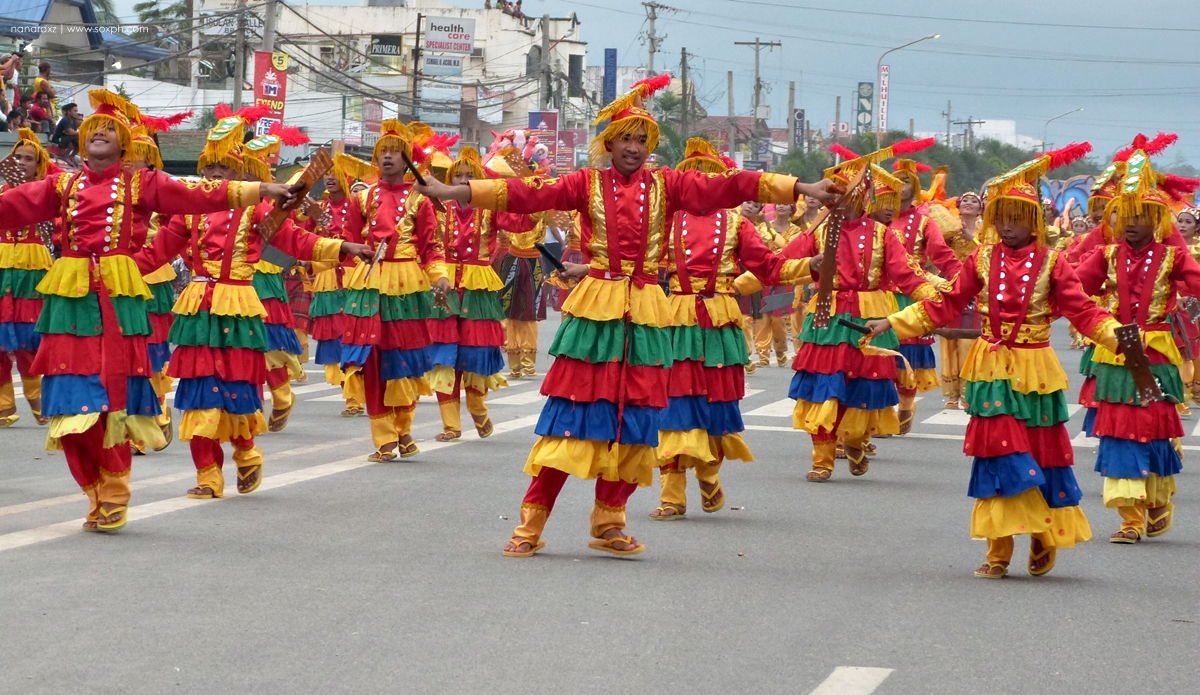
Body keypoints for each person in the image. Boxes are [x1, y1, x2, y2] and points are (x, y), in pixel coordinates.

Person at [414, 74, 839, 557]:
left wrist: (802, 186)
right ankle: (530, 524)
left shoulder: (669, 186)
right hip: (596, 310)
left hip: (648, 312)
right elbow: (529, 193)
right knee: (572, 417)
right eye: (626, 138)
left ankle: (609, 523)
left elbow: (730, 186)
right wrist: (452, 193)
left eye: (642, 140)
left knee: (636, 421)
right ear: (609, 143)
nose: (634, 147)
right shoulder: (585, 183)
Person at [0, 90, 303, 532]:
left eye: (110, 130)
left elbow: (196, 194)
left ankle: (116, 491)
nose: (99, 134)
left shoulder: (141, 184)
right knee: (68, 402)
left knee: (113, 399)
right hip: (70, 301)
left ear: (124, 145)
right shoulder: (61, 185)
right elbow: (10, 208)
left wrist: (263, 189)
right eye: (93, 129)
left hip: (118, 301)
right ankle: (94, 490)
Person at [867, 143, 1119, 579]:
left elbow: (1083, 310)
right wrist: (891, 322)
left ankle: (1042, 531)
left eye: (1016, 219)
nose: (1006, 226)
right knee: (997, 450)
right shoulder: (981, 258)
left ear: (1033, 221)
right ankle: (998, 546)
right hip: (990, 368)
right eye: (1001, 218)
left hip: (1036, 369)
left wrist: (1119, 337)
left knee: (1041, 451)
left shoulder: (1053, 262)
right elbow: (946, 303)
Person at [142, 109, 371, 500]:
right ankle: (208, 474)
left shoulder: (257, 210)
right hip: (198, 309)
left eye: (223, 168)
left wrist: (344, 246)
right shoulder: (188, 213)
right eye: (209, 167)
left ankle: (246, 451)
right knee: (198, 390)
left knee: (237, 387)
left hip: (239, 305)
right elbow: (154, 254)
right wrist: (107, 271)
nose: (215, 174)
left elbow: (297, 240)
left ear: (238, 173)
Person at [651, 139, 814, 520]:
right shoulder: (665, 222)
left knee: (718, 406)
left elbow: (769, 268)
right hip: (676, 319)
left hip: (720, 323)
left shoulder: (736, 224)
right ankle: (672, 495)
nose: (702, 183)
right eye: (694, 176)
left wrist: (811, 265)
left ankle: (709, 473)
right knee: (673, 405)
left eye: (710, 177)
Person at [784, 149, 941, 481]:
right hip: (827, 319)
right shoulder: (818, 230)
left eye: (841, 192)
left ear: (861, 195)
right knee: (824, 387)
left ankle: (855, 441)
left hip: (869, 318)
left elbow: (908, 275)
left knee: (863, 388)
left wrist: (937, 299)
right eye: (831, 193)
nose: (834, 199)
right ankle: (822, 460)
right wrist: (740, 284)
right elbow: (779, 263)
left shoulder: (882, 234)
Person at [1073, 150, 1200, 545]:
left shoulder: (1173, 256)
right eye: (1123, 216)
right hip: (1116, 352)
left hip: (1158, 354)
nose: (1129, 223)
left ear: (1157, 221)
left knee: (1155, 429)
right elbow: (1071, 289)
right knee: (1117, 430)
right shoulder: (1106, 254)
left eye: (1139, 216)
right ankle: (1129, 518)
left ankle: (1158, 499)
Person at [339, 119, 447, 462]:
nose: (387, 157)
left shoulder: (421, 199)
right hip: (369, 284)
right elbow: (349, 243)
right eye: (382, 152)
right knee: (370, 360)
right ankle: (384, 439)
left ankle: (403, 428)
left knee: (402, 360)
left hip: (406, 286)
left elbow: (432, 246)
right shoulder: (362, 197)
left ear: (407, 160)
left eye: (394, 152)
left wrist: (440, 276)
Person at [428, 146, 534, 441]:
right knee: (443, 356)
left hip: (478, 289)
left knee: (476, 355)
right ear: (449, 180)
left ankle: (477, 408)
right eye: (458, 176)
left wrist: (532, 197)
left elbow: (522, 223)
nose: (463, 180)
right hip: (444, 285)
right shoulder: (437, 209)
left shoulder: (490, 209)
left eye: (470, 176)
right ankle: (451, 425)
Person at [127, 116, 192, 453]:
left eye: (135, 156)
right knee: (124, 353)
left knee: (150, 353)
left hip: (151, 277)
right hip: (116, 276)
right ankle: (136, 422)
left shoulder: (162, 188)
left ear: (150, 160)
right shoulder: (108, 187)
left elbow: (179, 227)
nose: (128, 161)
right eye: (125, 154)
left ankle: (158, 413)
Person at [242, 126, 313, 432]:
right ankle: (252, 411)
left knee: (269, 344)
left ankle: (282, 396)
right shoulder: (219, 200)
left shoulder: (270, 204)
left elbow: (293, 229)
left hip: (263, 277)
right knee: (242, 347)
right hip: (228, 280)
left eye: (249, 172)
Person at [888, 157, 961, 431]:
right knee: (878, 355)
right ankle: (881, 412)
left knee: (908, 357)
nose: (900, 186)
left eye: (905, 181)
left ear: (915, 187)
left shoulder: (924, 223)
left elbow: (942, 255)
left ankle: (906, 404)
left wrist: (963, 278)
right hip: (880, 296)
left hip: (912, 294)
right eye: (895, 182)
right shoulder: (876, 219)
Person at [305, 152, 373, 417]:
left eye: (335, 174)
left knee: (355, 334)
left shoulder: (358, 205)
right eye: (327, 174)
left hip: (354, 275)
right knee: (334, 338)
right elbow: (303, 234)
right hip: (327, 279)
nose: (330, 178)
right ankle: (351, 395)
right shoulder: (319, 207)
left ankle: (361, 392)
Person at [0, 128, 56, 428]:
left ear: (39, 165)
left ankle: (37, 397)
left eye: (28, 158)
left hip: (31, 268)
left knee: (27, 339)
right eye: (17, 157)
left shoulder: (45, 193)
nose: (21, 162)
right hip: (2, 265)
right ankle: (4, 405)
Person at [938, 191, 982, 408]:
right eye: (965, 200)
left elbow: (989, 254)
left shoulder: (985, 233)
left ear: (980, 209)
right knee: (948, 340)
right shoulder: (949, 230)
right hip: (950, 288)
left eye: (974, 201)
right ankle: (952, 393)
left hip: (975, 291)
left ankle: (967, 391)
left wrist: (971, 239)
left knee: (967, 341)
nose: (969, 203)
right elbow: (935, 252)